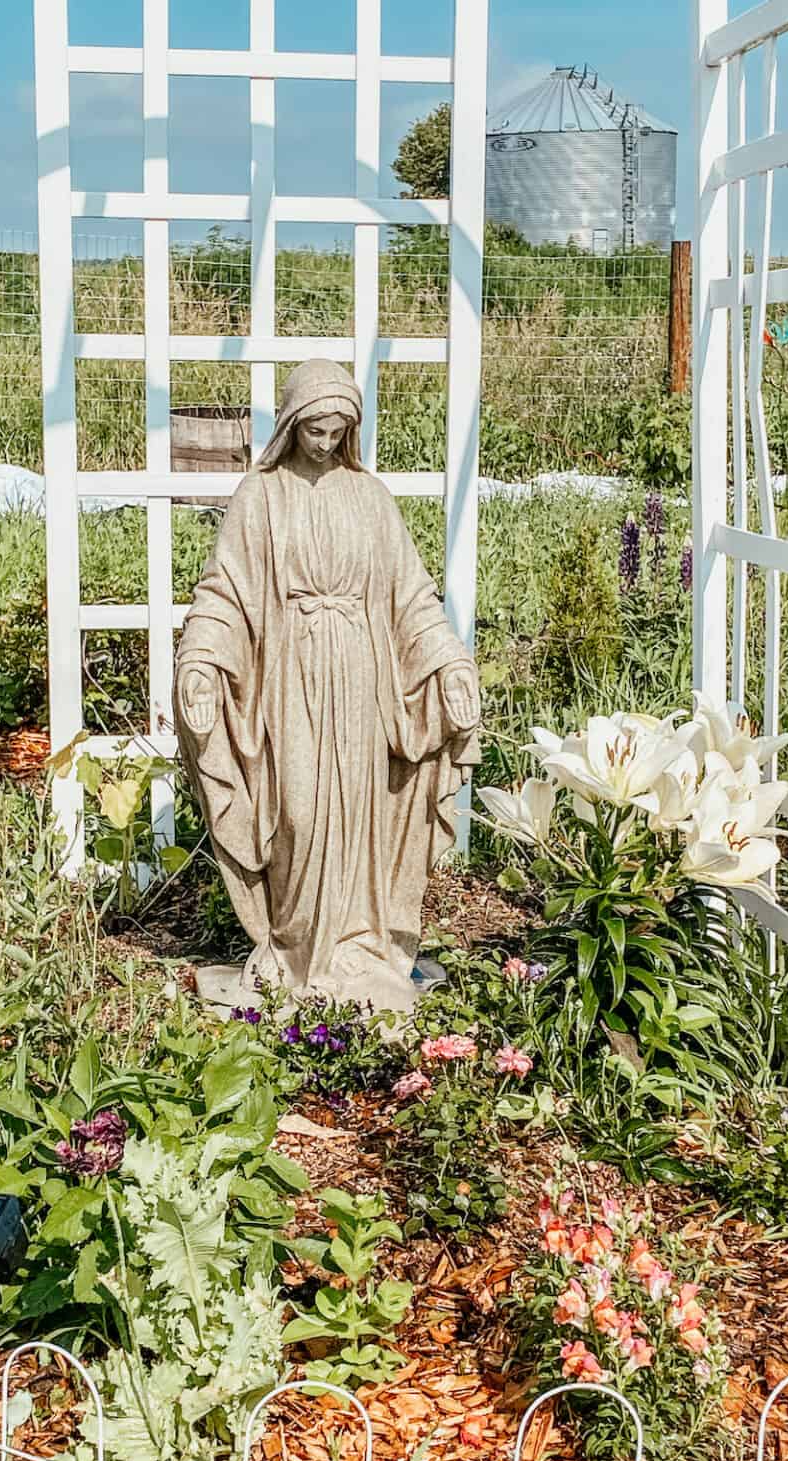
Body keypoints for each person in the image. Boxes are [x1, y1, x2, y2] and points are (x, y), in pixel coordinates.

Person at [173, 358, 480, 1011]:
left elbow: (412, 598)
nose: (323, 441)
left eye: (337, 430)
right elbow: (224, 593)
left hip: (363, 682)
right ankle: (295, 948)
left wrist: (450, 663)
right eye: (313, 428)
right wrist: (201, 662)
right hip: (292, 678)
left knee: (360, 817)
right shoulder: (262, 496)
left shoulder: (370, 498)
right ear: (291, 424)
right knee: (302, 814)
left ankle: (357, 950)